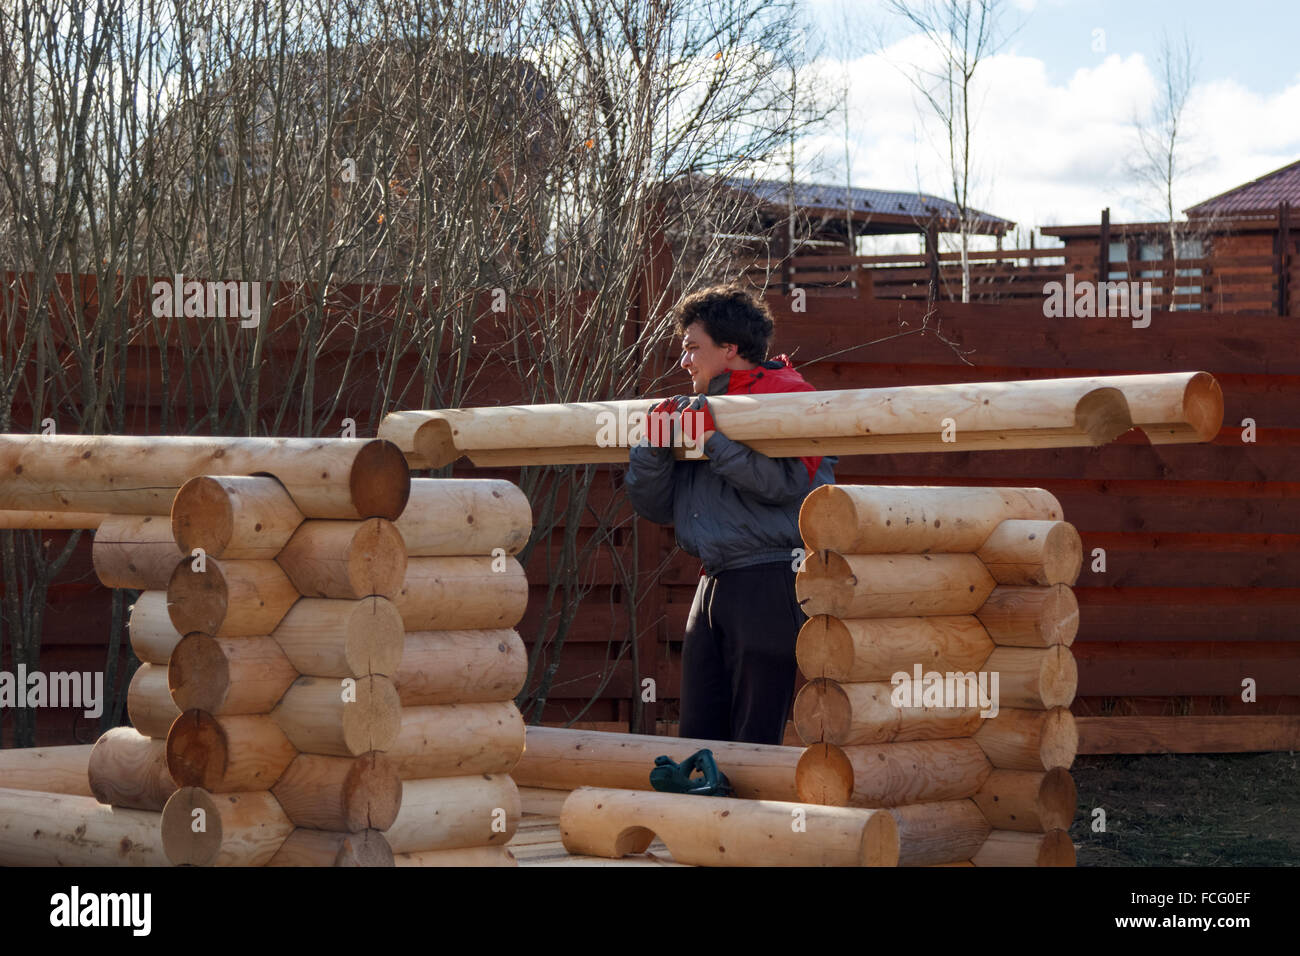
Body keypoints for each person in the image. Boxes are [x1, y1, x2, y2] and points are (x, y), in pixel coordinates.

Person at [624, 285, 836, 745]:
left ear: (730, 349)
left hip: (771, 579)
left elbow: (785, 485)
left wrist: (713, 442)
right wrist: (652, 446)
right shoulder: (695, 409)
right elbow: (656, 506)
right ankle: (702, 815)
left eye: (692, 348)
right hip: (714, 580)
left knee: (753, 735)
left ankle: (758, 819)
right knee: (698, 732)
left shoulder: (789, 396)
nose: (684, 362)